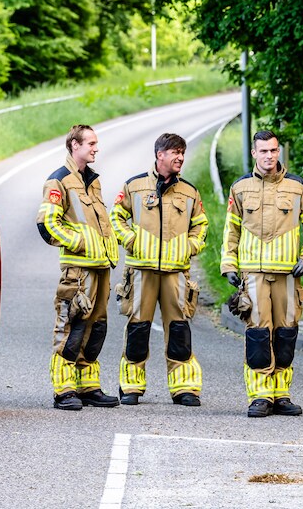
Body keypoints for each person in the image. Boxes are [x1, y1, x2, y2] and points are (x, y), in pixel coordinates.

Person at [221, 130, 303, 418]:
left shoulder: (298, 186)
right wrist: (228, 265)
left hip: (288, 275)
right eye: (264, 151)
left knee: (285, 334)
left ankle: (281, 395)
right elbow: (231, 230)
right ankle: (260, 396)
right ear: (254, 153)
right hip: (253, 274)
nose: (269, 155)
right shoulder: (240, 187)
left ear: (279, 152)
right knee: (258, 334)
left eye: (273, 150)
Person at [111, 133, 209, 407]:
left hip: (176, 273)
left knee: (179, 331)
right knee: (138, 329)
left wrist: (190, 247)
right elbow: (116, 217)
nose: (180, 157)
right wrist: (131, 241)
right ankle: (131, 386)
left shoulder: (189, 192)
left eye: (182, 153)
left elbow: (201, 225)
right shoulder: (134, 186)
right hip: (141, 272)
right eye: (175, 152)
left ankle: (184, 388)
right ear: (160, 155)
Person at [36, 124, 119, 410]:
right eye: (91, 143)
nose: (96, 148)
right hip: (78, 270)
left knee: (96, 328)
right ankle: (64, 390)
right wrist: (79, 243)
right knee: (71, 326)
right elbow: (47, 224)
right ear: (75, 145)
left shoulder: (92, 181)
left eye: (96, 143)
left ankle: (88, 387)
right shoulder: (58, 180)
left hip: (100, 267)